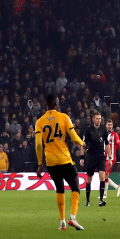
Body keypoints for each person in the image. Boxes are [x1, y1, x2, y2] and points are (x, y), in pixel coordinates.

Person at [34, 94, 85, 231]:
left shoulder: (40, 121)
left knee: (59, 188)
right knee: (76, 188)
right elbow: (74, 137)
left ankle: (62, 222)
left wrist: (40, 164)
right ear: (56, 103)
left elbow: (38, 145)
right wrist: (82, 143)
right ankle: (72, 218)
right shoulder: (63, 117)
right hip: (64, 159)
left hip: (50, 162)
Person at [82, 111, 107, 207]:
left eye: (100, 118)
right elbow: (83, 145)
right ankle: (87, 201)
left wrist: (109, 156)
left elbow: (107, 144)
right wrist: (82, 157)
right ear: (93, 119)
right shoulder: (88, 130)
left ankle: (101, 200)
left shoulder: (103, 130)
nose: (99, 120)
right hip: (91, 156)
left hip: (101, 156)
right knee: (89, 179)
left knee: (102, 177)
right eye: (97, 118)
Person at [104, 119, 120, 197]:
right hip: (104, 157)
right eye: (108, 124)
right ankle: (116, 187)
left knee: (105, 175)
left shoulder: (115, 135)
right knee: (103, 175)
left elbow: (119, 146)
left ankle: (105, 194)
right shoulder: (103, 134)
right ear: (106, 125)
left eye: (111, 125)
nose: (110, 126)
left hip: (111, 158)